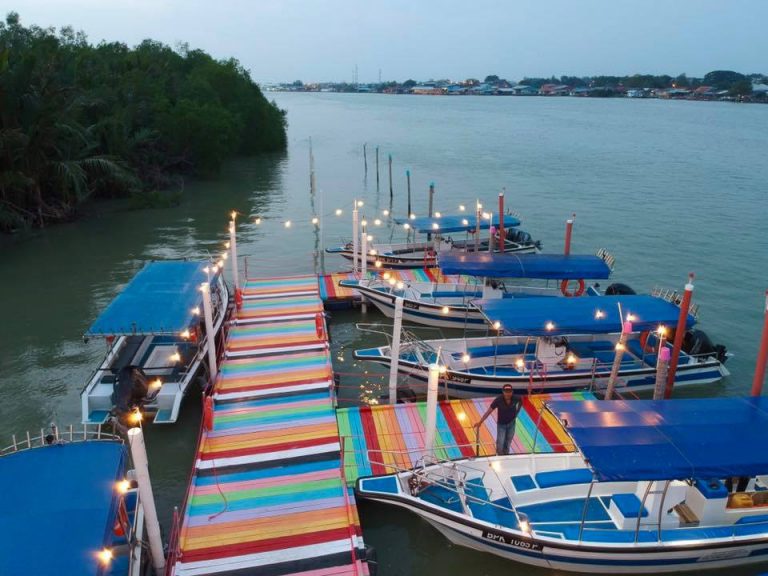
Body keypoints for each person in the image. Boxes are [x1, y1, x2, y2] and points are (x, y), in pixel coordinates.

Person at [474, 384, 522, 455]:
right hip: (501, 425)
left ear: (512, 392)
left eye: (509, 391)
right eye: (506, 391)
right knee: (500, 442)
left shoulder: (516, 398)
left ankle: (506, 454)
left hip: (512, 423)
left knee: (508, 441)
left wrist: (517, 412)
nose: (508, 393)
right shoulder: (498, 400)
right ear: (503, 392)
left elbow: (521, 402)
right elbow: (488, 411)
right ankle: (499, 455)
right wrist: (480, 422)